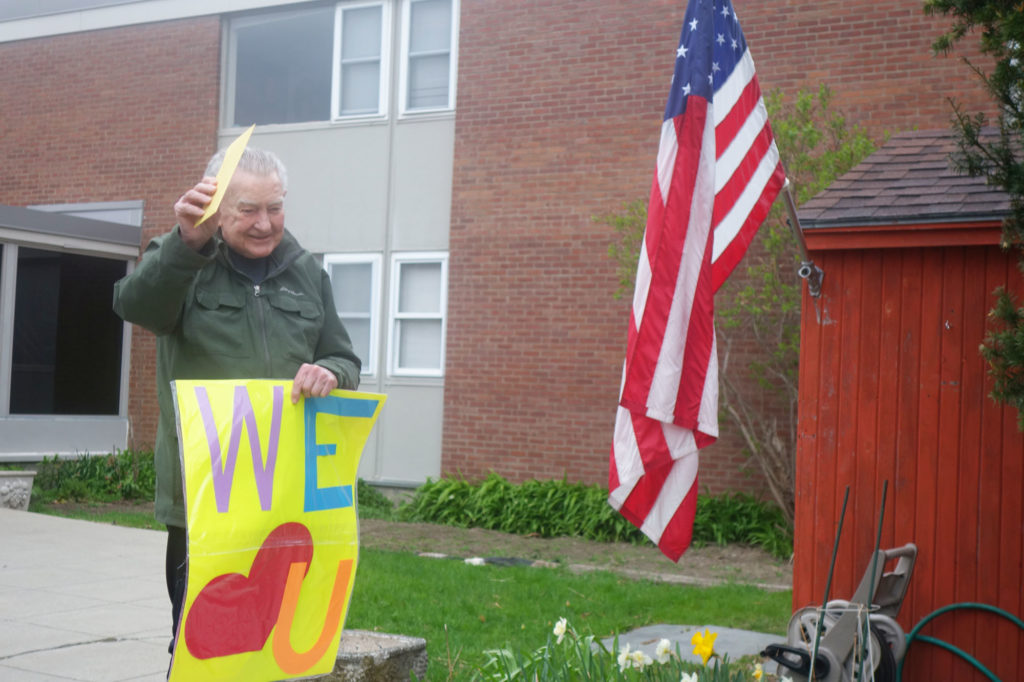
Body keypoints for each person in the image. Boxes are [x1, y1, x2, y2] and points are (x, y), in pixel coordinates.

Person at [112, 147, 361, 652]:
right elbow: (134, 305)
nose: (265, 224)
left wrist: (329, 372)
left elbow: (345, 360)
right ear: (215, 205)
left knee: (277, 649)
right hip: (205, 499)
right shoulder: (181, 259)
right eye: (248, 209)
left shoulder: (307, 273)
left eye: (275, 207)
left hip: (288, 501)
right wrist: (187, 243)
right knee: (203, 649)